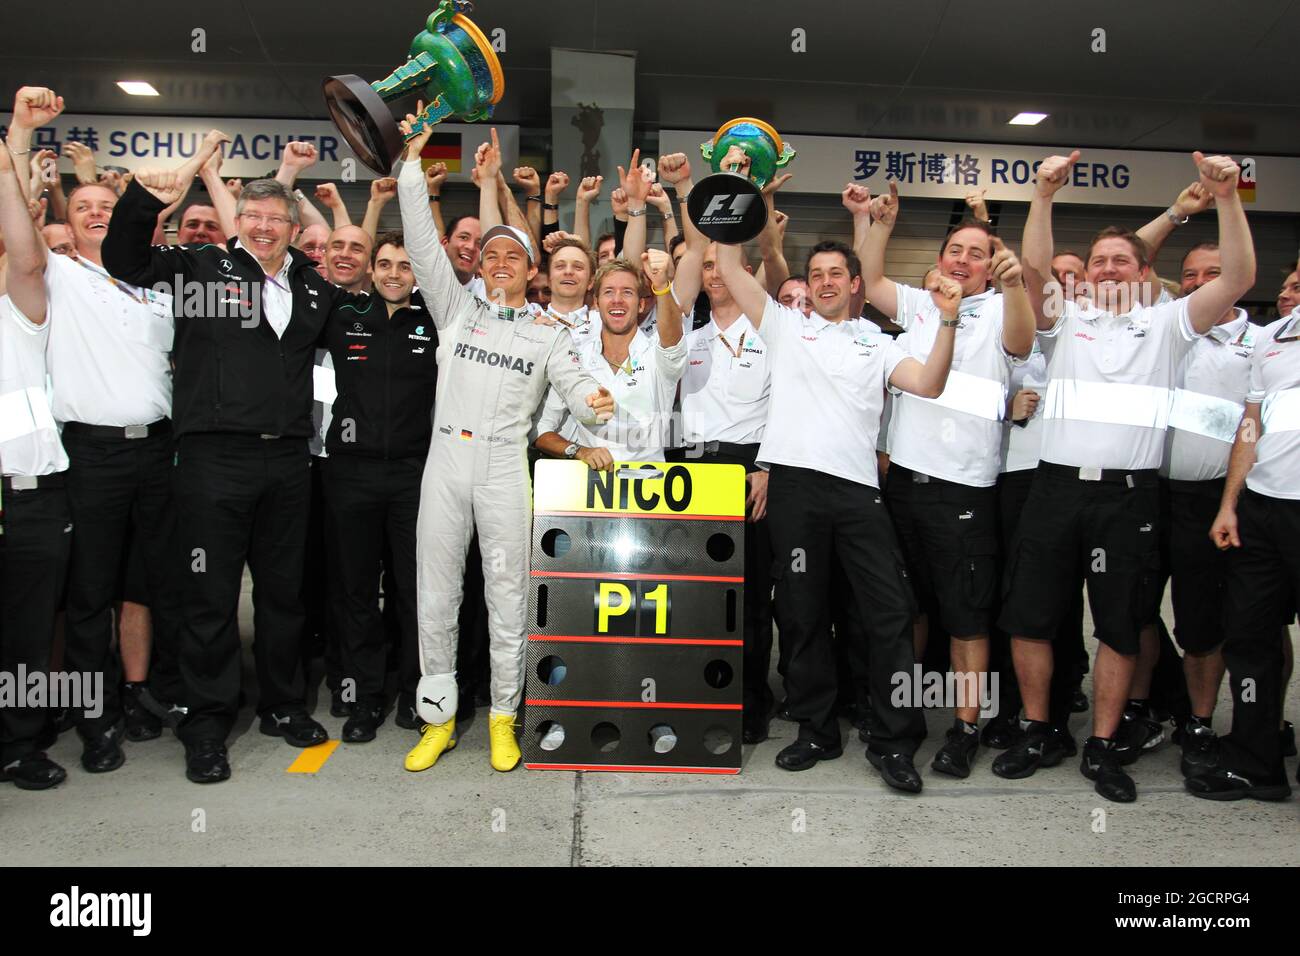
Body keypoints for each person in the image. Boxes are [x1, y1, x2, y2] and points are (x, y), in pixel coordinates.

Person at [102, 164, 377, 783]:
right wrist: (145, 200)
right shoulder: (200, 269)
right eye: (251, 216)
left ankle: (283, 706)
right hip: (211, 461)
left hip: (287, 459)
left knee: (284, 595)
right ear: (237, 222)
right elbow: (125, 261)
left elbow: (367, 332)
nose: (262, 227)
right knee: (210, 597)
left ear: (290, 227)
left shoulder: (312, 287)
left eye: (275, 219)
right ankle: (205, 724)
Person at [997, 148, 1256, 804]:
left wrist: (1226, 197)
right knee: (1030, 618)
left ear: (1145, 273)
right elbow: (1031, 271)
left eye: (1122, 260)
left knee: (1118, 624)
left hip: (1128, 495)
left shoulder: (1169, 323)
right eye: (1099, 260)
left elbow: (1236, 279)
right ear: (1086, 275)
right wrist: (1043, 194)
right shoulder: (1069, 317)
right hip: (1055, 486)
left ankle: (1103, 745)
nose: (1109, 268)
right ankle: (1037, 727)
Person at [708, 144, 960, 793]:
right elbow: (729, 263)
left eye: (834, 273)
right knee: (800, 613)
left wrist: (950, 324)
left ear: (854, 284)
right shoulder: (784, 327)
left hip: (857, 494)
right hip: (793, 489)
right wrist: (741, 183)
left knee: (887, 613)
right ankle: (814, 728)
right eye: (814, 272)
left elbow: (929, 384)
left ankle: (893, 739)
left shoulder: (879, 343)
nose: (822, 281)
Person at [395, 117, 613, 774]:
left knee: (508, 594)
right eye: (488, 255)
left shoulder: (549, 333)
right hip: (444, 465)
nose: (496, 264)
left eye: (510, 256)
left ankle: (501, 718)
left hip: (500, 469)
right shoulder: (455, 310)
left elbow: (577, 384)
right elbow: (421, 241)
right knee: (434, 593)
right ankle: (436, 718)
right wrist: (411, 162)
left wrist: (595, 408)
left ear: (530, 269)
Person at [4, 87, 211, 775]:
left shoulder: (160, 282)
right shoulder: (53, 276)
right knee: (90, 596)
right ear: (63, 219)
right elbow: (20, 238)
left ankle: (165, 697)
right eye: (82, 208)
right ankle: (96, 722)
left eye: (106, 207)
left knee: (169, 586)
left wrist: (190, 174)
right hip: (89, 457)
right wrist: (23, 135)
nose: (95, 215)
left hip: (160, 453)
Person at [854, 179, 1036, 779]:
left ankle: (965, 729)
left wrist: (1013, 285)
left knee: (967, 619)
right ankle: (906, 718)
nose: (963, 260)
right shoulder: (919, 305)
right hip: (903, 485)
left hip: (964, 490)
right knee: (907, 611)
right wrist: (879, 224)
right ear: (939, 261)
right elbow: (873, 281)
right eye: (955, 250)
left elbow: (1022, 339)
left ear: (990, 266)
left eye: (976, 253)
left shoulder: (1000, 307)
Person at [663, 150, 779, 744]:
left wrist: (764, 467)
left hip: (747, 467)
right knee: (696, 595)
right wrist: (688, 188)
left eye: (721, 262)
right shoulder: (688, 334)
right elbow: (684, 268)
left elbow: (788, 408)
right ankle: (696, 697)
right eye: (704, 263)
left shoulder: (772, 330)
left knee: (751, 596)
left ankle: (751, 707)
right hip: (691, 466)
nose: (713, 271)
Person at [320, 231, 436, 743]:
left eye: (405, 266)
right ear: (370, 269)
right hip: (350, 474)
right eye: (385, 264)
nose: (393, 273)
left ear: (417, 274)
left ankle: (414, 692)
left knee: (415, 591)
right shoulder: (343, 317)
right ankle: (366, 695)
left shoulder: (435, 324)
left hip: (414, 475)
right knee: (356, 591)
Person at [1150, 242, 1258, 776]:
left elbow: (1251, 427)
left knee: (1199, 623)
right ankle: (1147, 706)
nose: (1197, 283)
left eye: (1213, 274)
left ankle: (1196, 720)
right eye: (1189, 274)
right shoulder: (1163, 329)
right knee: (1129, 612)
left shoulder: (1260, 344)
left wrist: (1229, 503)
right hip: (1145, 492)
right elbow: (1128, 254)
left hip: (1209, 501)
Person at [1201, 300, 1300, 800]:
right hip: (1262, 510)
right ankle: (1255, 762)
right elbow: (1250, 423)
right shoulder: (1274, 335)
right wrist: (1229, 504)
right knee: (1248, 639)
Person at [0, 136, 73, 790]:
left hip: (28, 497)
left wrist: (8, 160)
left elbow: (26, 257)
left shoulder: (22, 311)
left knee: (27, 632)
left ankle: (22, 744)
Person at [534, 253, 685, 465]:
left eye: (627, 292)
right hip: (588, 486)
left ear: (641, 305)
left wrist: (661, 286)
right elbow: (542, 429)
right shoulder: (576, 357)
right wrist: (580, 451)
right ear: (596, 302)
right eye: (608, 292)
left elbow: (673, 344)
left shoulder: (656, 355)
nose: (617, 300)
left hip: (650, 484)